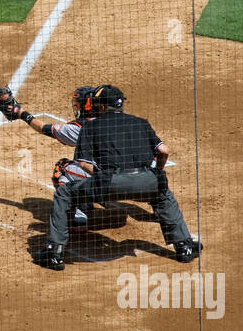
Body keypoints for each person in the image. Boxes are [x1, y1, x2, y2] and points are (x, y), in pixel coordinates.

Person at [36, 84, 201, 270]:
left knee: (64, 194)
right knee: (163, 195)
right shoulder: (141, 122)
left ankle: (55, 253)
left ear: (102, 107)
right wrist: (157, 173)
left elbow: (83, 164)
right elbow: (164, 150)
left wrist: (102, 177)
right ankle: (184, 246)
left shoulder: (90, 126)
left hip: (110, 182)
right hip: (146, 180)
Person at [0, 84, 99, 227]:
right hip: (129, 181)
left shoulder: (80, 129)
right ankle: (100, 201)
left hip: (103, 181)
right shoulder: (119, 121)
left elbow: (44, 128)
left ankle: (79, 217)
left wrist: (22, 113)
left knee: (62, 168)